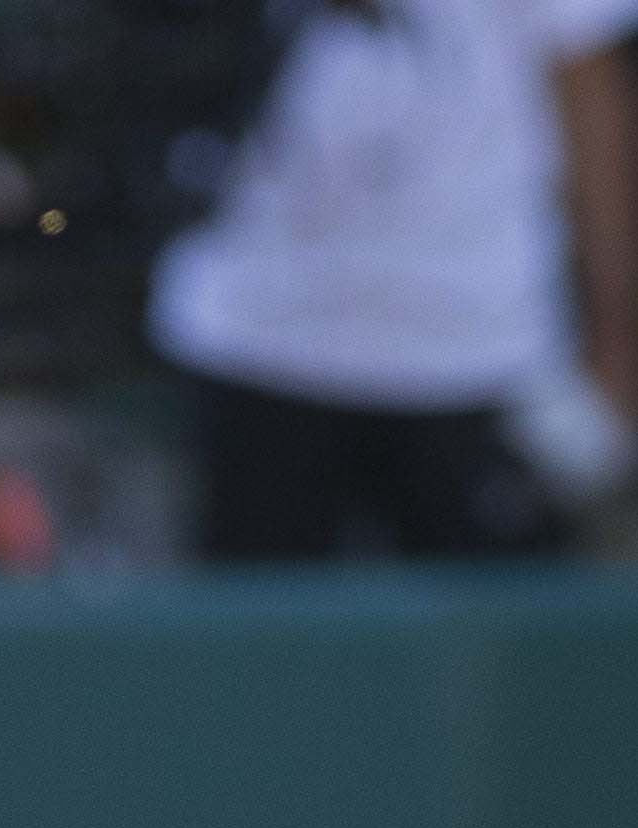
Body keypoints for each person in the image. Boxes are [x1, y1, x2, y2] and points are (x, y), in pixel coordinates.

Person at [150, 0, 638, 559]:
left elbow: (591, 91)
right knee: (256, 633)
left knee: (486, 635)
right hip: (253, 332)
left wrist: (616, 333)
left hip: (476, 348)